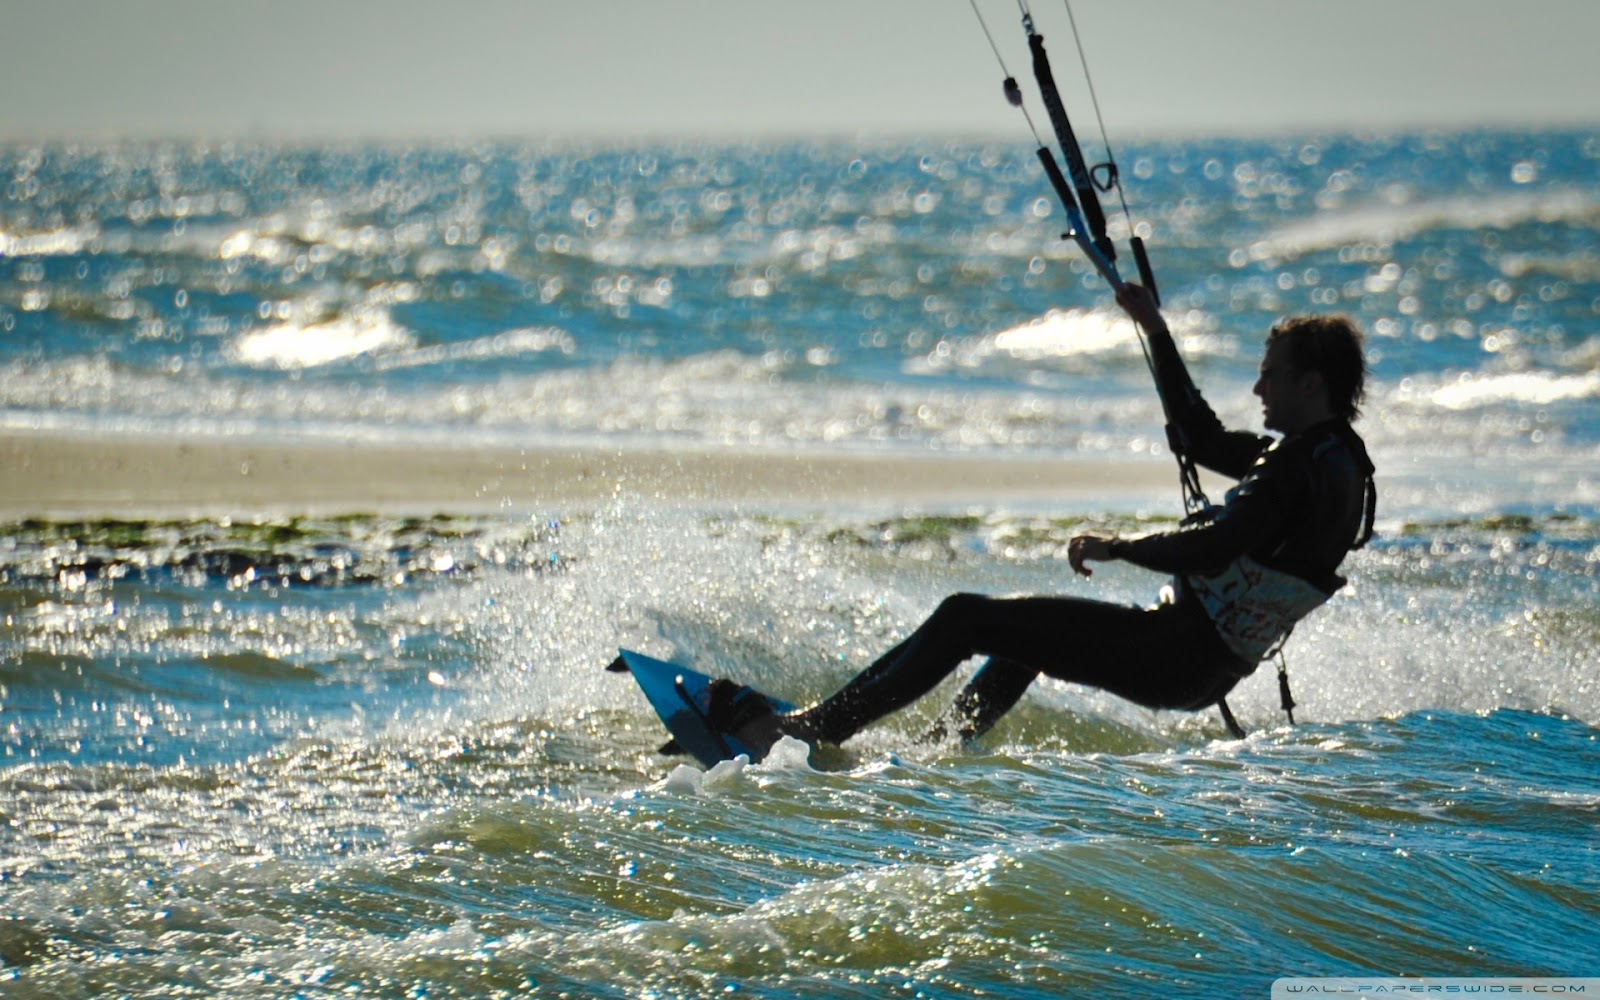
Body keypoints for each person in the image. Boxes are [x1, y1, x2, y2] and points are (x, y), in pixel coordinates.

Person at [726, 284, 1377, 749]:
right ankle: (937, 753)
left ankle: (816, 729)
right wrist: (1155, 330)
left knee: (965, 615)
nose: (1259, 389)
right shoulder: (1337, 463)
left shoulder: (1293, 469)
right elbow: (1203, 441)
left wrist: (1120, 547)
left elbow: (1216, 548)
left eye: (1271, 377)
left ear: (1311, 383)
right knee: (1018, 645)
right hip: (1200, 664)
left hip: (1177, 653)